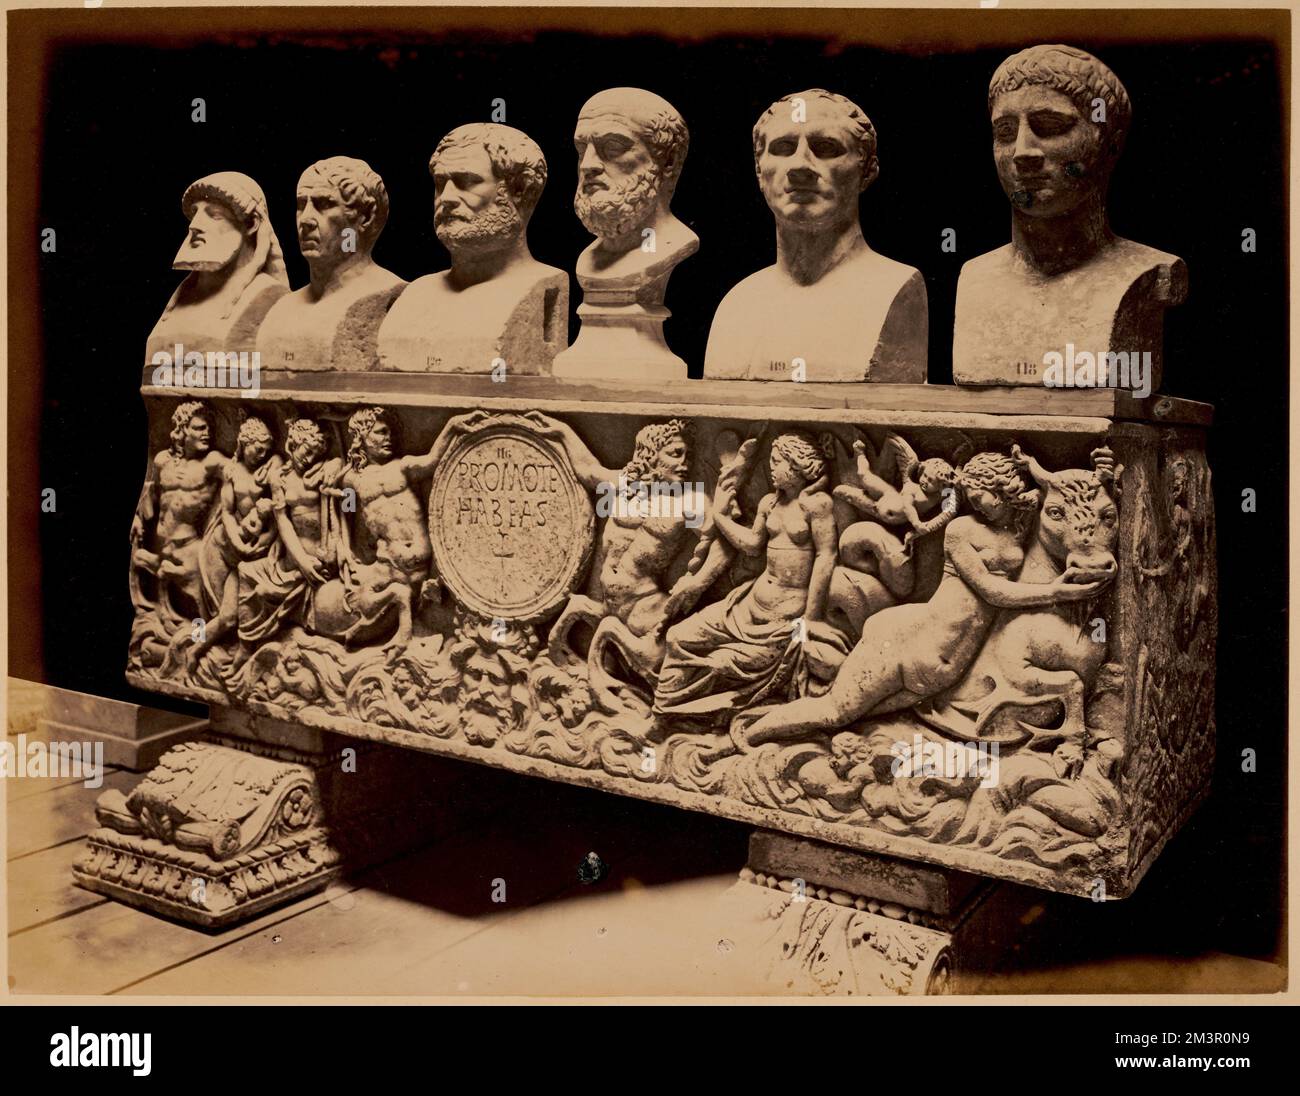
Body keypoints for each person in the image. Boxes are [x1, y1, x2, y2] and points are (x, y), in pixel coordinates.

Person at [735, 451, 1106, 747]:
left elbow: (1066, 496)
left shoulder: (1022, 520)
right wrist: (1055, 592)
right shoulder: (961, 531)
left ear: (1008, 491)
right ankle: (746, 741)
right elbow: (993, 591)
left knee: (860, 719)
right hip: (907, 646)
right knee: (834, 713)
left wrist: (1102, 468)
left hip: (938, 676)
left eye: (990, 497)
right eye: (974, 499)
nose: (983, 506)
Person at [651, 432, 837, 731]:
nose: (771, 469)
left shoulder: (817, 505)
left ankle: (686, 719)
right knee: (677, 637)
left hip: (781, 621)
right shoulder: (769, 504)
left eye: (777, 462)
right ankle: (660, 712)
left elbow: (827, 556)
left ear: (798, 465)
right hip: (745, 607)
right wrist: (721, 518)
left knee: (719, 665)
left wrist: (811, 618)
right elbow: (751, 545)